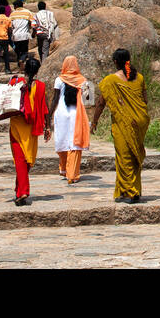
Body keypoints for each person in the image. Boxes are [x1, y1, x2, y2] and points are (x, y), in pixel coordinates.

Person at [91, 49, 149, 204]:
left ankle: (132, 191)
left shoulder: (111, 81)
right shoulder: (140, 78)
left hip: (124, 123)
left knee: (124, 157)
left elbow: (100, 103)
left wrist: (94, 122)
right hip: (140, 122)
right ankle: (124, 190)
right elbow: (145, 101)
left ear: (115, 62)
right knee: (135, 156)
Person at [6, 56, 48, 207]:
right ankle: (20, 190)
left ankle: (21, 190)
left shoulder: (15, 82)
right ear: (37, 71)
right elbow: (44, 108)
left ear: (24, 68)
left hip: (17, 127)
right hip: (32, 127)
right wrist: (47, 127)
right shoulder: (41, 86)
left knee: (19, 159)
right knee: (27, 158)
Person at [47, 55, 90, 184]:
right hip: (76, 113)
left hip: (61, 112)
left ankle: (64, 169)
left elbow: (55, 99)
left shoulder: (59, 80)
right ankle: (72, 174)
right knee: (74, 142)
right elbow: (88, 99)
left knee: (63, 140)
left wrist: (49, 115)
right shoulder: (83, 80)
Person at [8, 0, 37, 71]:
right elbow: (34, 23)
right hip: (24, 35)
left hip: (15, 36)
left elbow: (9, 26)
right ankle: (21, 61)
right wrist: (33, 32)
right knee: (24, 51)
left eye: (14, 6)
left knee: (18, 51)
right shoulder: (27, 12)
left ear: (16, 6)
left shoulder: (12, 14)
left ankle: (20, 65)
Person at [0, 3, 13, 71]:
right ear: (4, 11)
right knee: (6, 54)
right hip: (5, 38)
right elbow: (10, 30)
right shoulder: (8, 19)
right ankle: (7, 69)